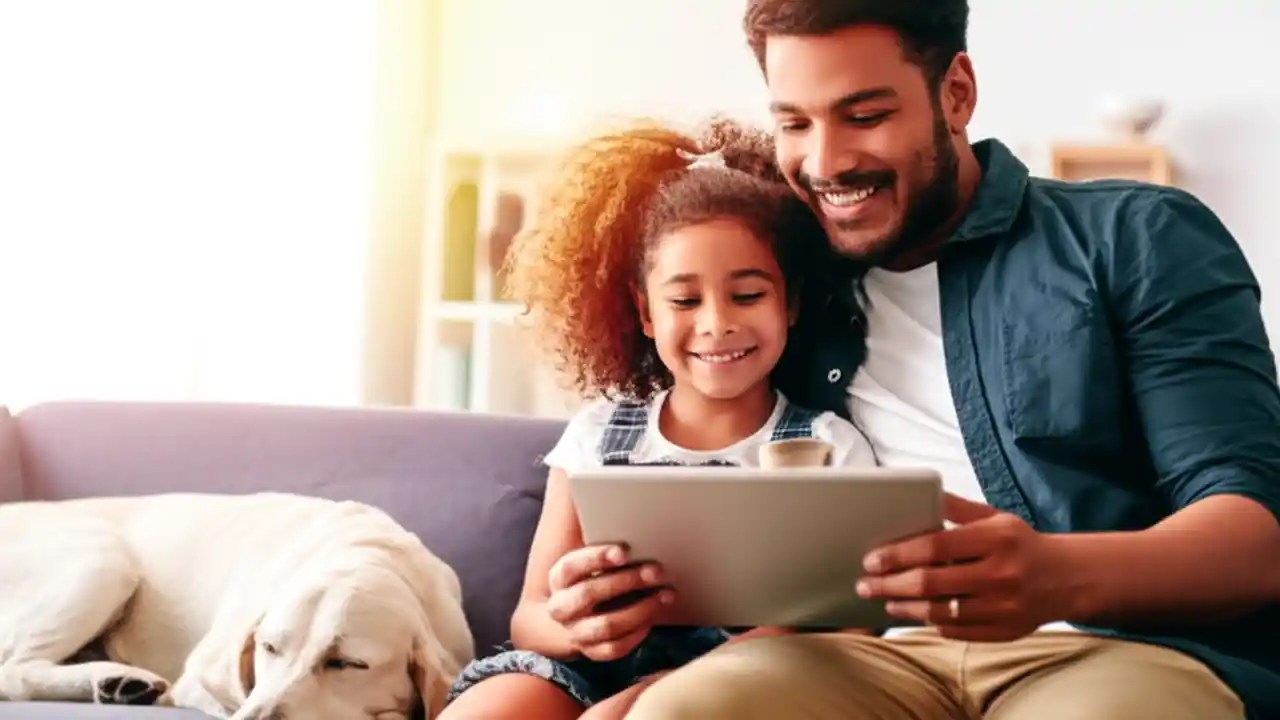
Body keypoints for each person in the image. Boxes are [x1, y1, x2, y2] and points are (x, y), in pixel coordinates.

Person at [624, 2, 1280, 719]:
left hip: (1118, 649)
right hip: (872, 655)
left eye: (865, 116)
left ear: (957, 93)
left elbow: (1255, 536)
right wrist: (597, 593)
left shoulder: (1135, 238)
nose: (826, 162)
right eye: (795, 123)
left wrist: (1060, 575)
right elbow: (679, 437)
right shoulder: (779, 284)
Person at [438, 118, 878, 720]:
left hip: (747, 673)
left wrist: (665, 685)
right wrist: (579, 629)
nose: (717, 323)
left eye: (747, 296)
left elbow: (851, 622)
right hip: (586, 667)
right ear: (645, 313)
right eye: (685, 300)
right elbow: (530, 616)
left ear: (791, 303)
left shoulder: (827, 446)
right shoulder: (597, 435)